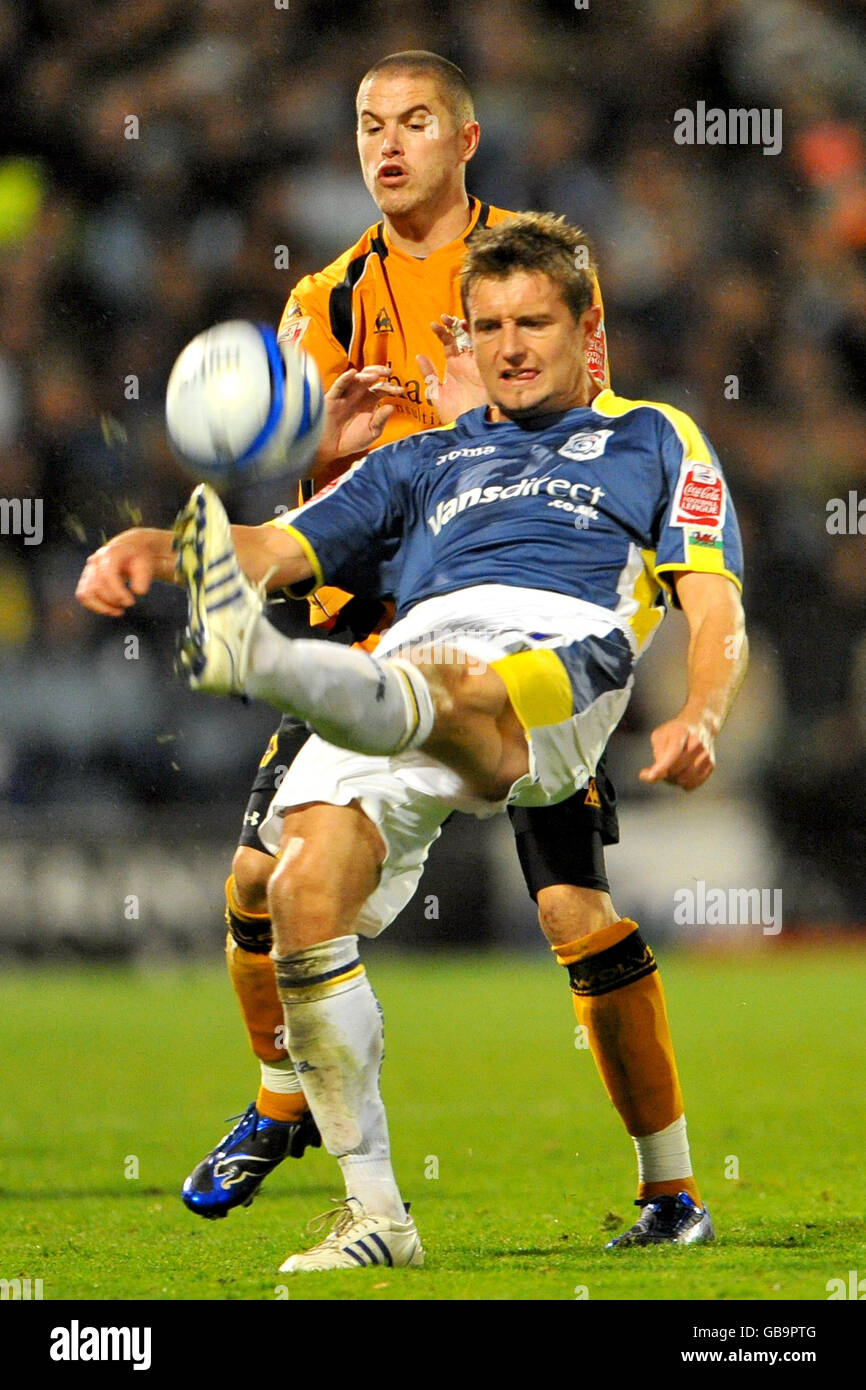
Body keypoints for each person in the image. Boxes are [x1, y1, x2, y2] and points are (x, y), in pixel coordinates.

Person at [77, 213, 747, 1269]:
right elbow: (273, 547)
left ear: (588, 332)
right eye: (487, 326)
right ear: (467, 336)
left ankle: (271, 667)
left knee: (473, 711)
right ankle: (380, 1218)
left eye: (533, 322)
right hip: (407, 661)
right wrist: (160, 546)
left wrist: (699, 711)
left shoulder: (654, 437)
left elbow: (713, 607)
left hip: (560, 647)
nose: (510, 345)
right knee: (300, 890)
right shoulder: (424, 458)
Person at [161, 48, 623, 1224]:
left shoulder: (535, 263)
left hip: (516, 609)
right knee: (256, 885)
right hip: (373, 632)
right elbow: (297, 494)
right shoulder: (322, 301)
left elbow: (598, 419)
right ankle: (281, 1101)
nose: (386, 144)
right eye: (368, 123)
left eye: (414, 121)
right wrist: (324, 448)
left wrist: (483, 428)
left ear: (464, 139)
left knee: (574, 912)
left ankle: (667, 1184)